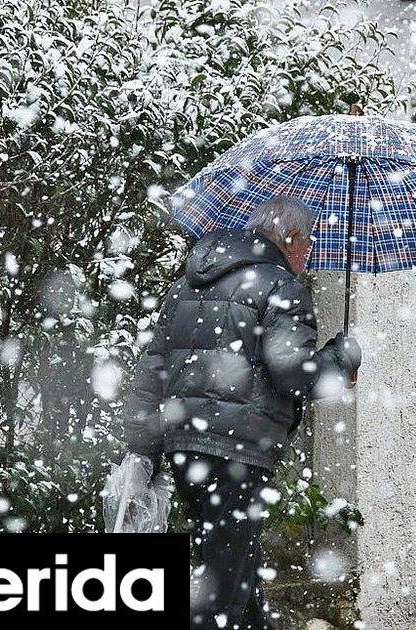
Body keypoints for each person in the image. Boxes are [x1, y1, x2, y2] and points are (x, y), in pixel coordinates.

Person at [121, 195, 362, 629]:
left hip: (185, 450)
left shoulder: (189, 285)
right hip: (237, 455)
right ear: (290, 239)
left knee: (235, 570)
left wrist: (143, 449)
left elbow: (152, 370)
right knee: (224, 590)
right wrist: (341, 358)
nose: (307, 256)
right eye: (306, 245)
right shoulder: (279, 286)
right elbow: (294, 373)